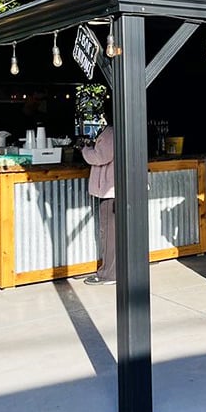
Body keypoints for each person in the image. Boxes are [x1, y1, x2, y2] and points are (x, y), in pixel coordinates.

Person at [81, 108, 116, 285]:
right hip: (124, 189)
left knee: (109, 234)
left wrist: (84, 150)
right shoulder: (128, 128)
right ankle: (121, 270)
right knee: (119, 233)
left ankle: (109, 274)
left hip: (111, 192)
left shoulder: (111, 132)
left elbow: (100, 156)